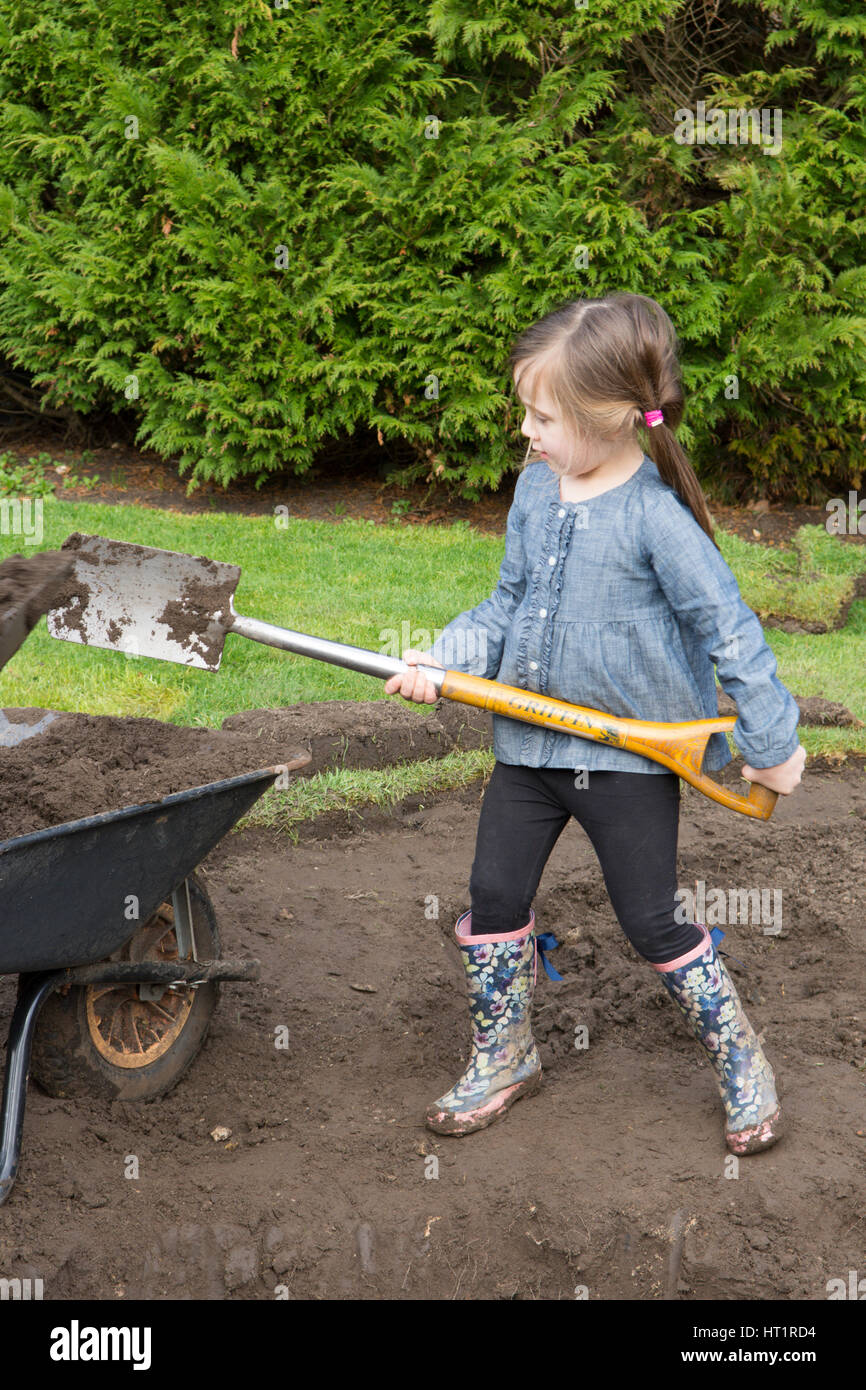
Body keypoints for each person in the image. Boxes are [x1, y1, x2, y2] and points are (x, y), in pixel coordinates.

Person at [384, 293, 805, 1156]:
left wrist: (771, 745)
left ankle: (741, 1057)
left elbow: (731, 632)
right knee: (494, 899)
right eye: (525, 413)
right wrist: (441, 659)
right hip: (530, 749)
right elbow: (505, 603)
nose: (527, 433)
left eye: (542, 416)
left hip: (631, 763)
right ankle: (506, 1054)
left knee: (650, 919)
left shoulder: (656, 519)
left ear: (611, 419)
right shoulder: (537, 490)